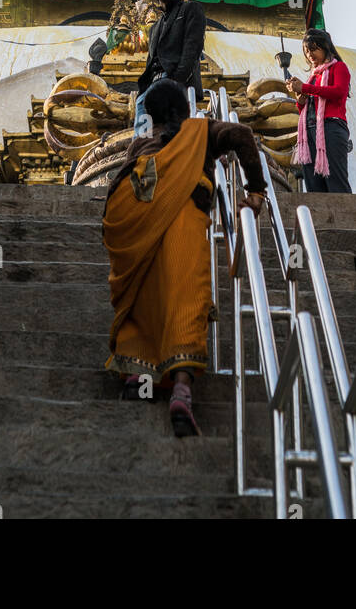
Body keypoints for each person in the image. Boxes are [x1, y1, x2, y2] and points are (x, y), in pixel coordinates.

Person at [102, 78, 267, 437]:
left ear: (150, 115)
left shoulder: (140, 145)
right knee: (185, 299)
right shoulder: (200, 133)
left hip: (141, 233)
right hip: (186, 225)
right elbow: (242, 135)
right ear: (186, 109)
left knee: (143, 299)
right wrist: (256, 192)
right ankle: (181, 389)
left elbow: (120, 190)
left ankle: (138, 376)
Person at [285, 28, 352, 194]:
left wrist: (305, 87)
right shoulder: (314, 77)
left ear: (326, 47)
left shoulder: (339, 68)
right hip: (309, 131)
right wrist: (301, 98)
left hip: (331, 128)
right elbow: (304, 107)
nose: (310, 55)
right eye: (307, 51)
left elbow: (338, 93)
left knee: (335, 180)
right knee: (314, 185)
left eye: (314, 49)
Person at [136, 0, 206, 98]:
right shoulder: (154, 27)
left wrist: (176, 81)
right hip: (151, 87)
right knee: (141, 114)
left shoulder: (190, 9)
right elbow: (150, 63)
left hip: (177, 83)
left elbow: (192, 47)